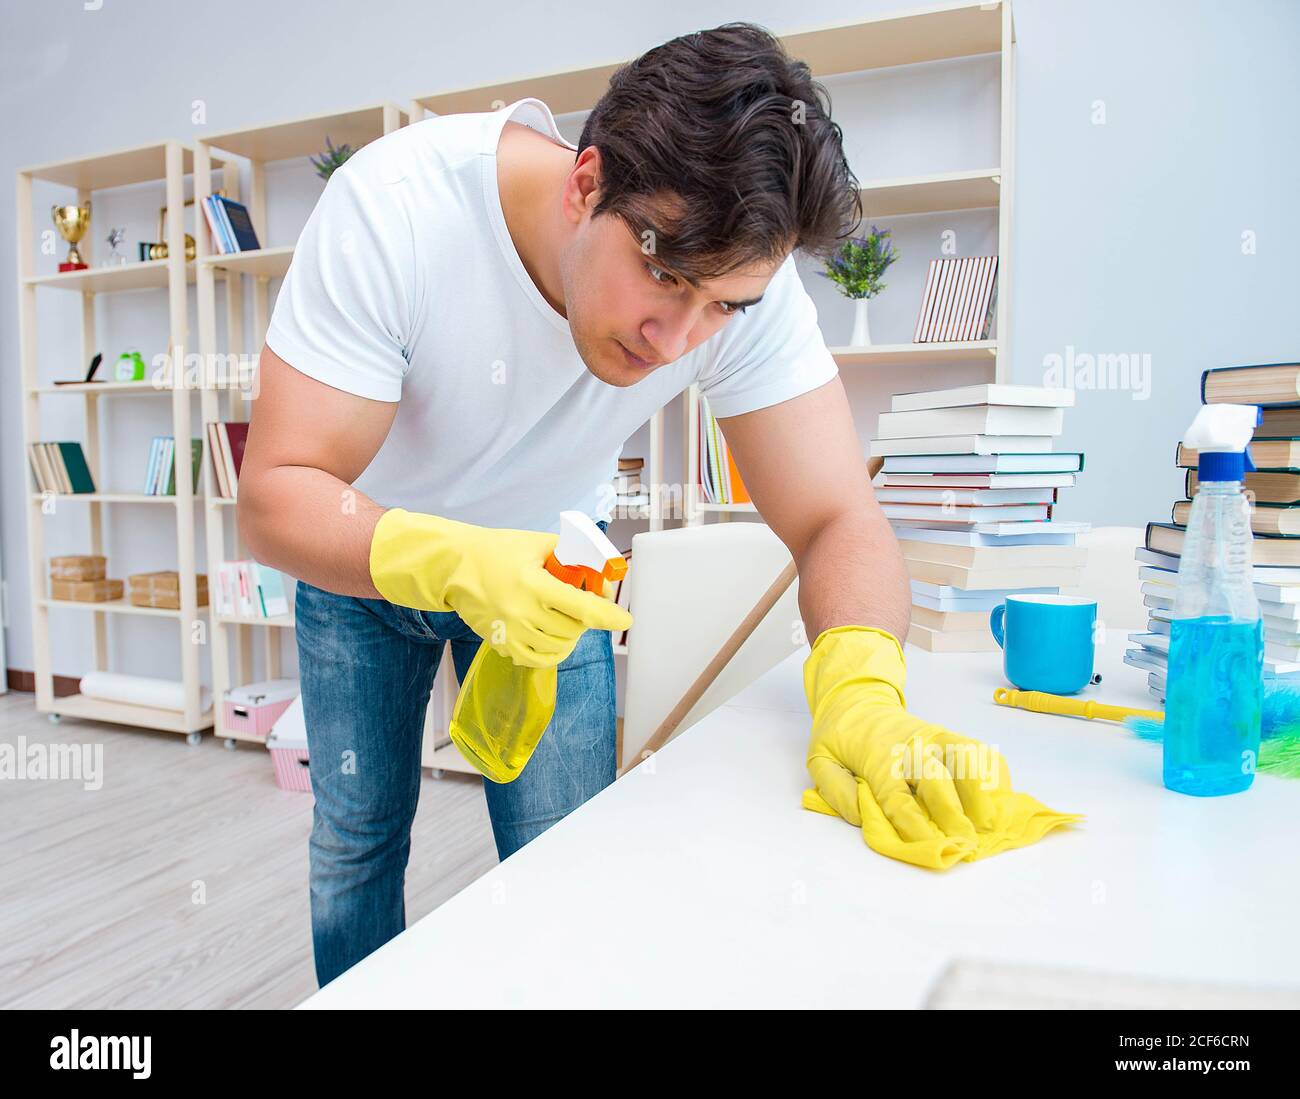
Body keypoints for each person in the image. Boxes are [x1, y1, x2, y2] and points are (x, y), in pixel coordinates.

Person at [239, 23, 963, 989]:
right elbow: (276, 494)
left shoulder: (741, 279)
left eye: (722, 306)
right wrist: (456, 561)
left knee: (569, 844)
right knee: (357, 839)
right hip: (360, 559)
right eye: (663, 274)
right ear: (586, 185)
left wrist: (863, 686)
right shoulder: (396, 209)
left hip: (553, 572)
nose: (677, 341)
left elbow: (838, 514)